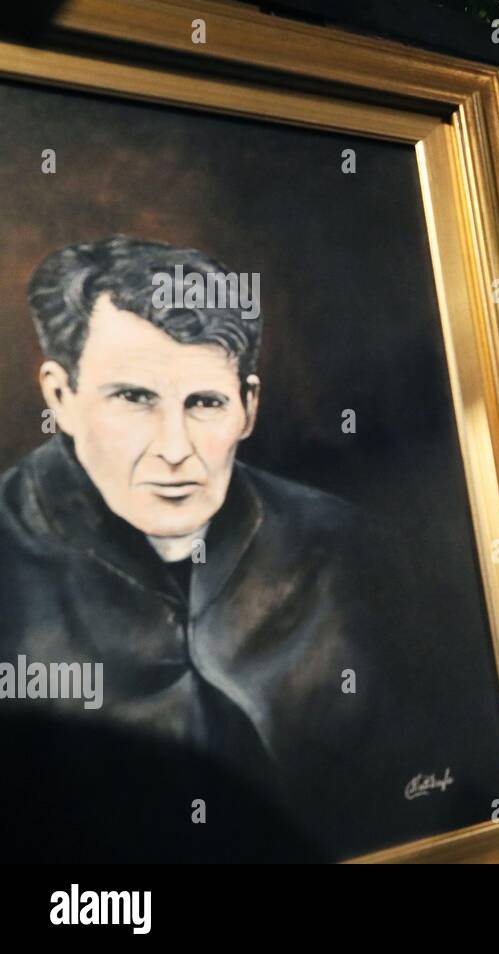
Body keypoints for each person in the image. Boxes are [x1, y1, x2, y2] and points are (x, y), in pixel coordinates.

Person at [0, 236, 408, 859]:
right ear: (61, 398)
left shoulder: (340, 546)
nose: (173, 448)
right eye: (134, 398)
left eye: (204, 403)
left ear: (247, 407)